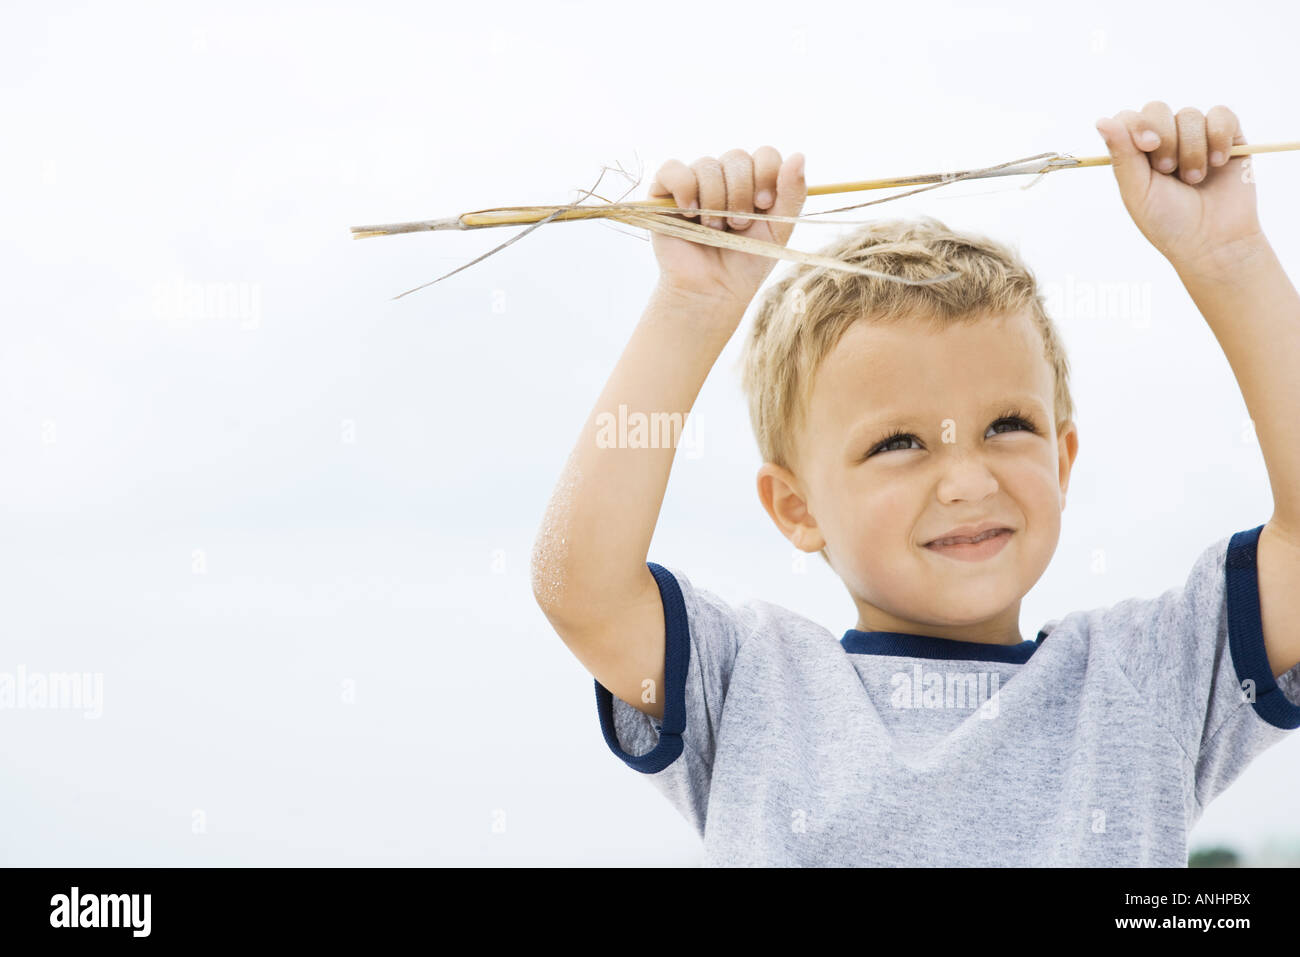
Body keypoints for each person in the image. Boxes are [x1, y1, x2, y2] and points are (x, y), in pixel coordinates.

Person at [529, 101, 1300, 865]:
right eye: (898, 443)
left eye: (1008, 426)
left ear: (1063, 463)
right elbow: (581, 586)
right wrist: (689, 308)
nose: (967, 481)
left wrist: (1230, 259)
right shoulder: (750, 683)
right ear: (796, 507)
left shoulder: (1144, 678)